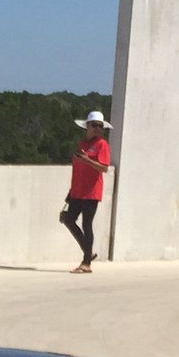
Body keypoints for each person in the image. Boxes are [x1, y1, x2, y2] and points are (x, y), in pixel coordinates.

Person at [61, 110, 111, 273]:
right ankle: (88, 251)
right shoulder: (81, 144)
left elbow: (104, 168)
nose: (97, 129)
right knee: (68, 219)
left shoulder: (102, 145)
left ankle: (86, 262)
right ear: (87, 126)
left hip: (92, 191)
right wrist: (71, 191)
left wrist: (88, 160)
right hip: (77, 191)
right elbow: (78, 169)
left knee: (86, 224)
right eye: (94, 125)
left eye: (100, 126)